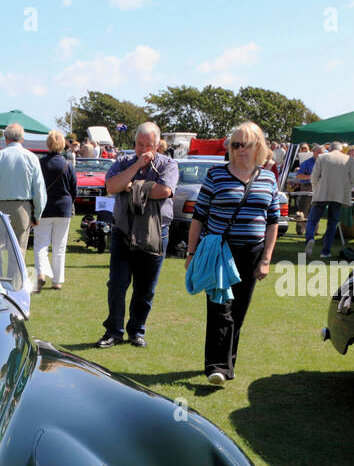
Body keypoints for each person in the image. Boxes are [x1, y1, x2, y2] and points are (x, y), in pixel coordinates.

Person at [185, 121, 280, 385]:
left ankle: (228, 362)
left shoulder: (269, 178)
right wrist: (191, 254)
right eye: (234, 144)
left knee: (238, 311)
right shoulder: (216, 176)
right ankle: (217, 367)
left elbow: (273, 222)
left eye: (244, 145)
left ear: (257, 147)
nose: (238, 150)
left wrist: (266, 259)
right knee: (219, 307)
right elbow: (199, 217)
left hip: (252, 252)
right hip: (219, 250)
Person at [98, 121, 178, 348]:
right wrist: (135, 169)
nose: (144, 149)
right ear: (134, 143)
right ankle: (113, 331)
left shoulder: (168, 165)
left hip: (156, 233)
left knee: (146, 288)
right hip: (123, 230)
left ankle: (136, 331)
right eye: (140, 144)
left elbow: (164, 191)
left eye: (149, 145)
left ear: (158, 145)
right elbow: (112, 186)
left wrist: (131, 186)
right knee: (117, 284)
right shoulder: (123, 162)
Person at [0, 122, 46, 257]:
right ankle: (16, 279)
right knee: (18, 252)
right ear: (22, 139)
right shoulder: (32, 158)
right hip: (22, 208)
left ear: (6, 138)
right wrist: (37, 214)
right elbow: (39, 189)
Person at [34, 130, 77, 292]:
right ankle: (57, 281)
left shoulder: (40, 163)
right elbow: (74, 190)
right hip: (63, 209)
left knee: (41, 245)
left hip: (44, 208)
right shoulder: (68, 165)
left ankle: (41, 274)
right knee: (59, 247)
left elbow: (35, 187)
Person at [306, 141, 354, 258]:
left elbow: (314, 177)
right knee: (332, 223)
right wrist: (344, 191)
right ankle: (326, 251)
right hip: (338, 196)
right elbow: (352, 180)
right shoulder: (348, 159)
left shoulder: (322, 157)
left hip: (322, 193)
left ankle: (310, 238)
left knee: (312, 220)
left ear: (330, 148)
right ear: (340, 149)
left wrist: (316, 189)